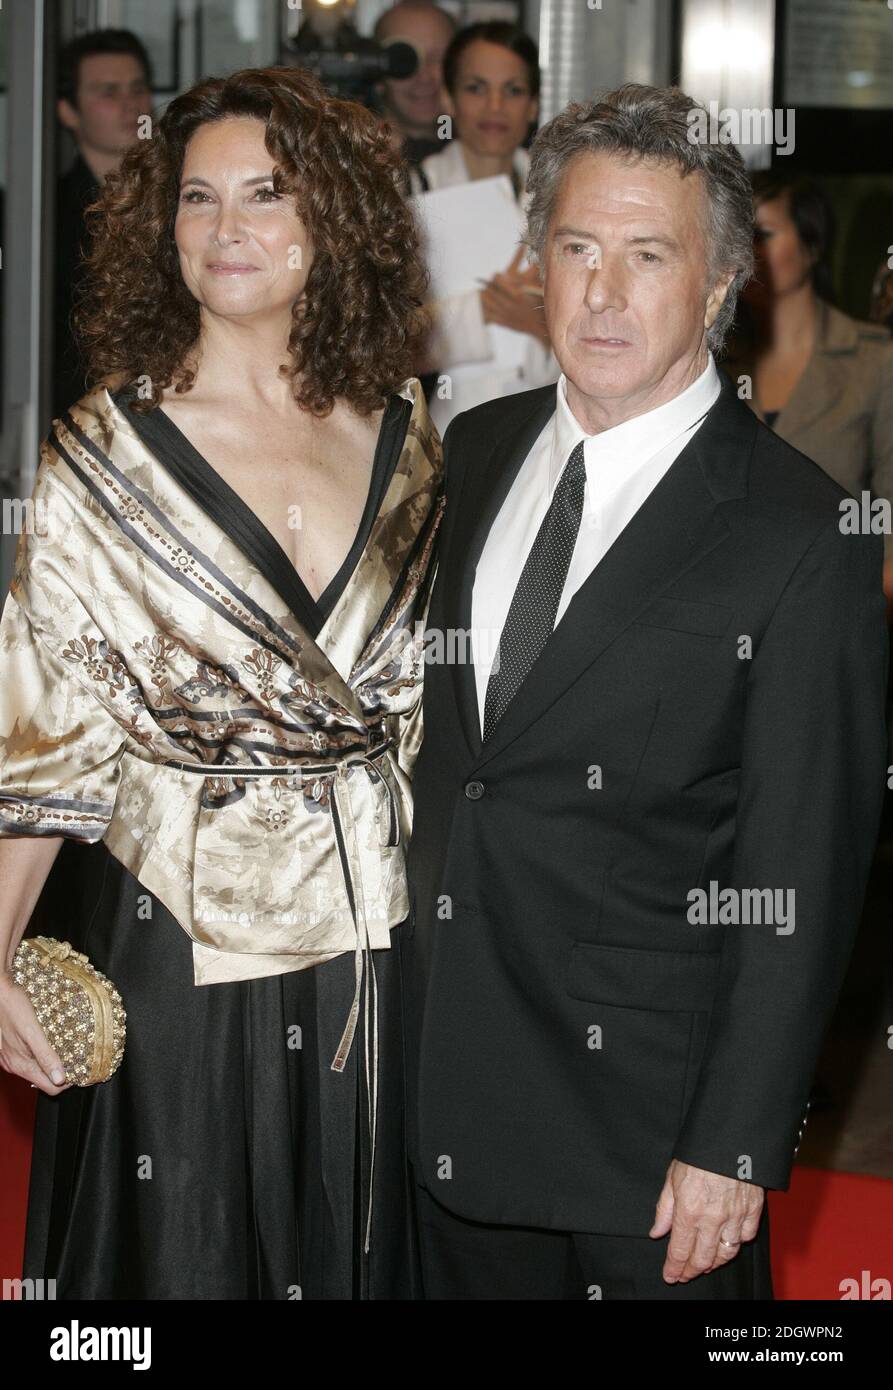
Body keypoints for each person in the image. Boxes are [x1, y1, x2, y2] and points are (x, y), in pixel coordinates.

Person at [402, 83, 888, 1300]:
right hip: (430, 1094)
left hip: (643, 1145)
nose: (601, 293)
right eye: (574, 250)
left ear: (720, 286)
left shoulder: (797, 535)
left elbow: (801, 870)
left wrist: (733, 1140)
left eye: (646, 256)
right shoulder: (473, 449)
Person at [0, 65, 442, 1300]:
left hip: (374, 938)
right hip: (177, 949)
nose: (227, 228)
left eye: (265, 193)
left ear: (334, 222)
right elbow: (43, 736)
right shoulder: (103, 453)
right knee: (175, 1262)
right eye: (198, 198)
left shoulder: (405, 436)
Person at [721, 172, 893, 613]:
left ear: (812, 247)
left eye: (762, 235)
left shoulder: (875, 362)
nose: (746, 252)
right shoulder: (712, 365)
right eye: (738, 237)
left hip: (835, 616)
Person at [408, 22, 557, 432]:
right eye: (476, 88)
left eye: (512, 90)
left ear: (533, 105)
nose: (495, 106)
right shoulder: (407, 192)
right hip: (442, 436)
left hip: (550, 426)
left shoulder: (563, 196)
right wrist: (483, 311)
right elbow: (376, 341)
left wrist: (549, 325)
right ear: (448, 97)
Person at [53, 29, 154, 421]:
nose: (131, 105)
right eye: (108, 92)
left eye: (138, 88)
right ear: (68, 111)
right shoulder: (45, 223)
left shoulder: (187, 201)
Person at [373, 0, 456, 176]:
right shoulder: (352, 160)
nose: (424, 76)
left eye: (437, 58)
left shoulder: (491, 152)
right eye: (404, 61)